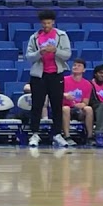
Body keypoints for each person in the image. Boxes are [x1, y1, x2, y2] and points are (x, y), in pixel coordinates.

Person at [23, 10, 72, 147]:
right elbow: (29, 56)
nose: (46, 25)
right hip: (39, 75)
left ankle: (57, 133)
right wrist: (40, 52)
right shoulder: (34, 37)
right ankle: (34, 133)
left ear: (53, 22)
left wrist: (55, 50)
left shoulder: (61, 35)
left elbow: (67, 55)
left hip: (56, 74)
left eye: (49, 23)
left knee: (57, 105)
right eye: (44, 23)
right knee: (37, 105)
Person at [61, 58, 93, 144]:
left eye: (79, 66)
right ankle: (67, 136)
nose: (76, 67)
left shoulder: (87, 84)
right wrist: (64, 95)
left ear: (84, 70)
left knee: (88, 109)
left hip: (78, 109)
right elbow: (55, 93)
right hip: (64, 108)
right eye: (74, 65)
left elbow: (86, 101)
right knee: (66, 109)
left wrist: (82, 104)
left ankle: (90, 137)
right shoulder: (64, 80)